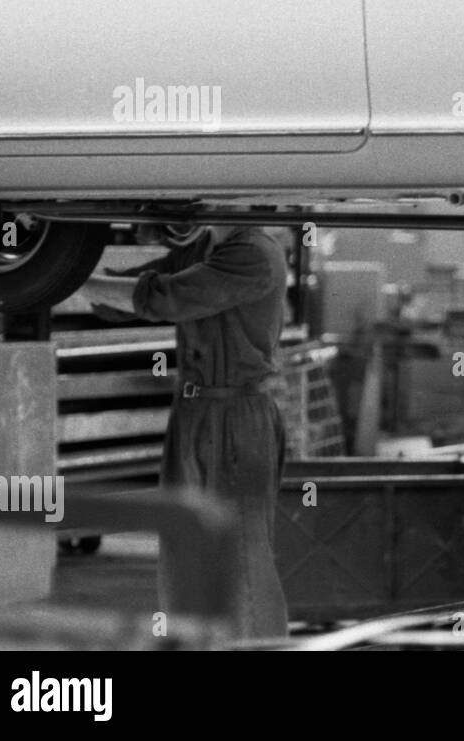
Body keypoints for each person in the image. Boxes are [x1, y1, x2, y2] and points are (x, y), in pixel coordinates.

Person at [80, 223, 290, 639]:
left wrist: (70, 281)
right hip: (192, 412)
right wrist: (60, 271)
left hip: (236, 415)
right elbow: (118, 301)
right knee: (182, 544)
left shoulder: (255, 254)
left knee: (240, 557)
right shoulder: (200, 248)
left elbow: (165, 297)